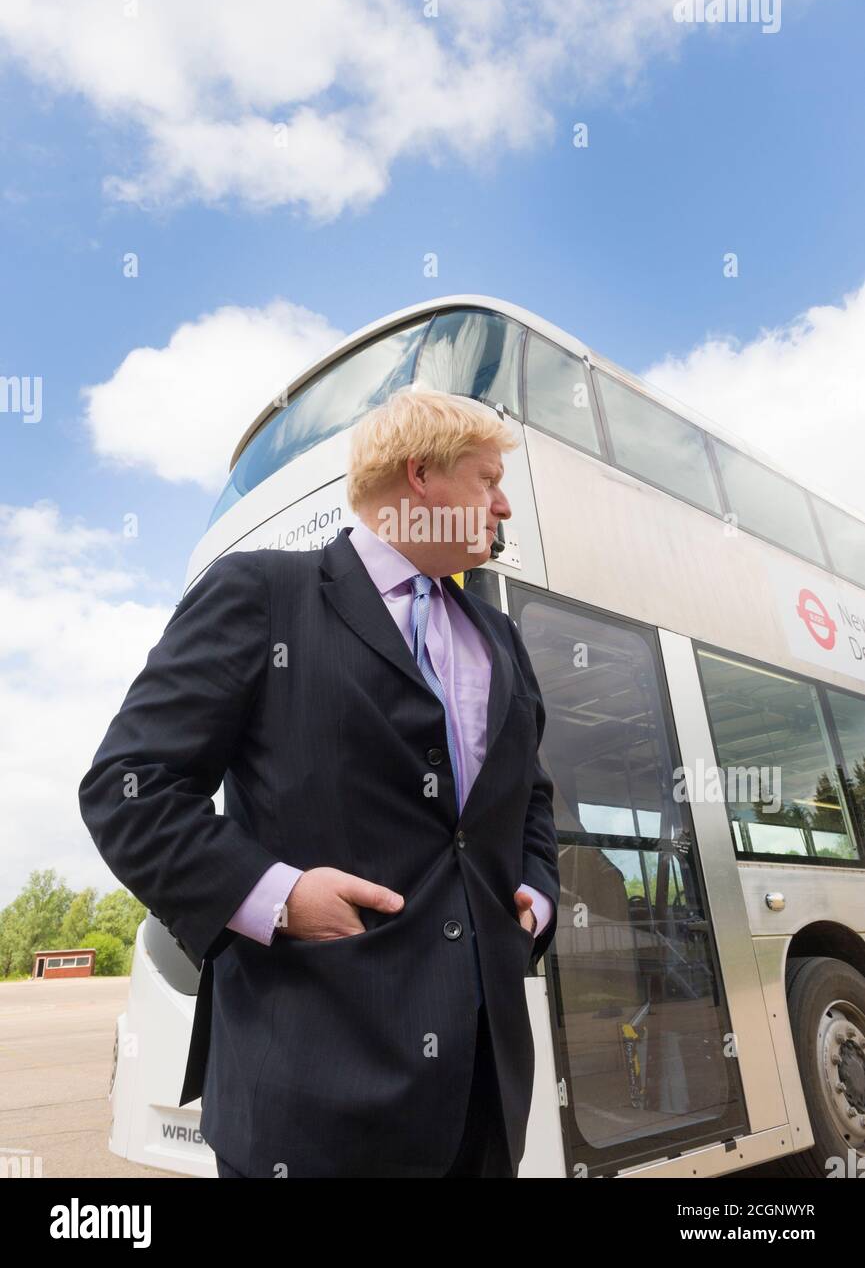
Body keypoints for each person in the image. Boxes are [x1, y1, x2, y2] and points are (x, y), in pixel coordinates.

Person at [79, 385, 560, 1178]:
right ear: (420, 478)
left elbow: (528, 801)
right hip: (310, 1096)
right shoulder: (262, 593)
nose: (503, 506)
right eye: (486, 480)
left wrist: (533, 900)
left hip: (486, 1090)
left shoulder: (498, 636)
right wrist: (278, 897)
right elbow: (128, 786)